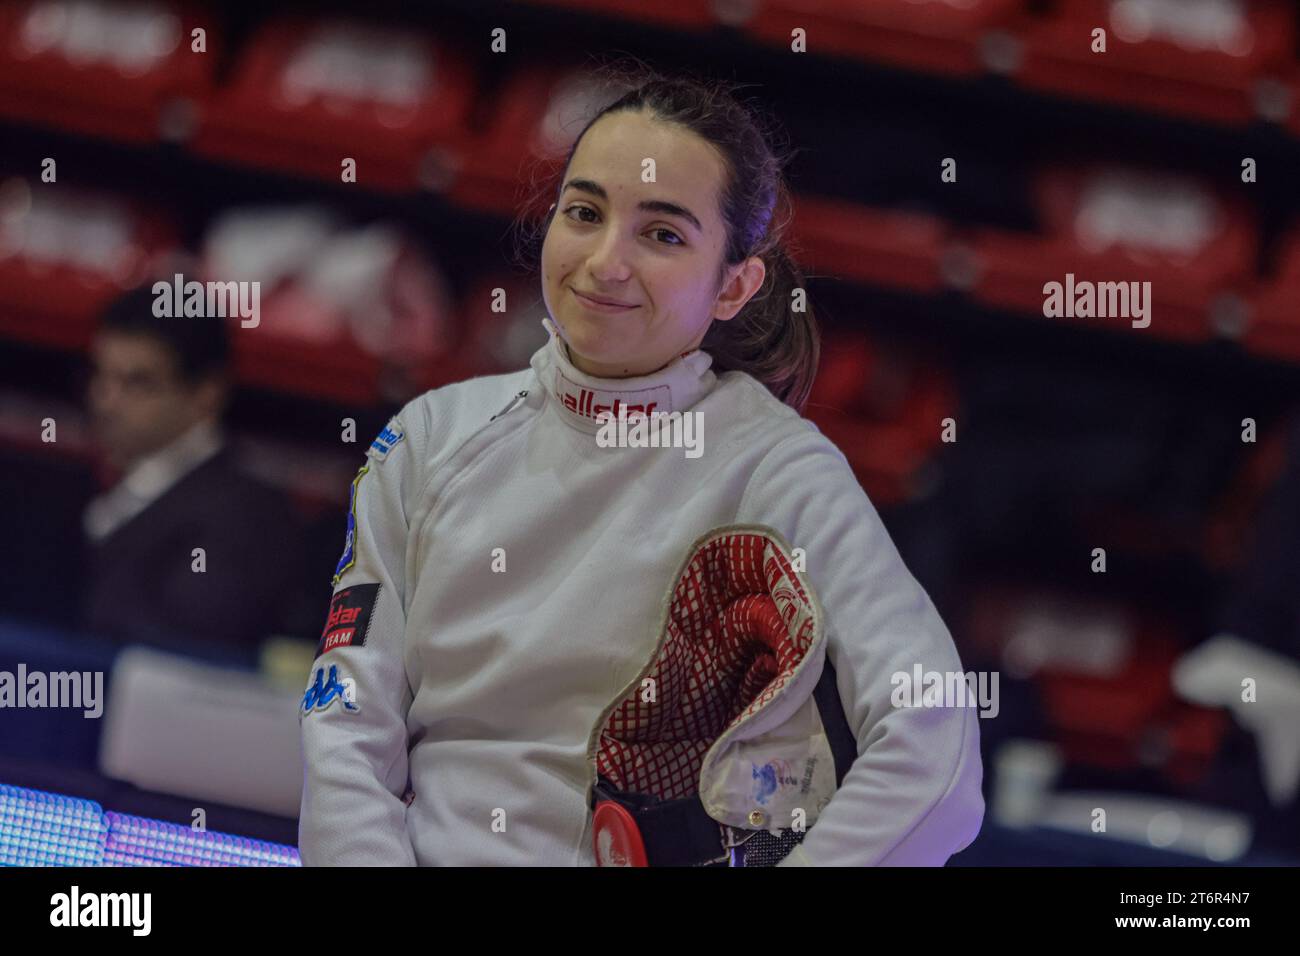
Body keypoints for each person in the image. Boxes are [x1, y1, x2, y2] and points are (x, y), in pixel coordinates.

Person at [298, 66, 985, 866]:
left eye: (662, 235)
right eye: (585, 213)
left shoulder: (779, 471)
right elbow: (346, 725)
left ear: (735, 285)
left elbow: (935, 745)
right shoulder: (432, 437)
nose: (606, 262)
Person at [80, 283, 309, 656]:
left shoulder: (243, 520)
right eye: (101, 376)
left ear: (207, 393)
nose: (106, 401)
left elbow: (174, 661)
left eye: (137, 382)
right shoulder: (100, 485)